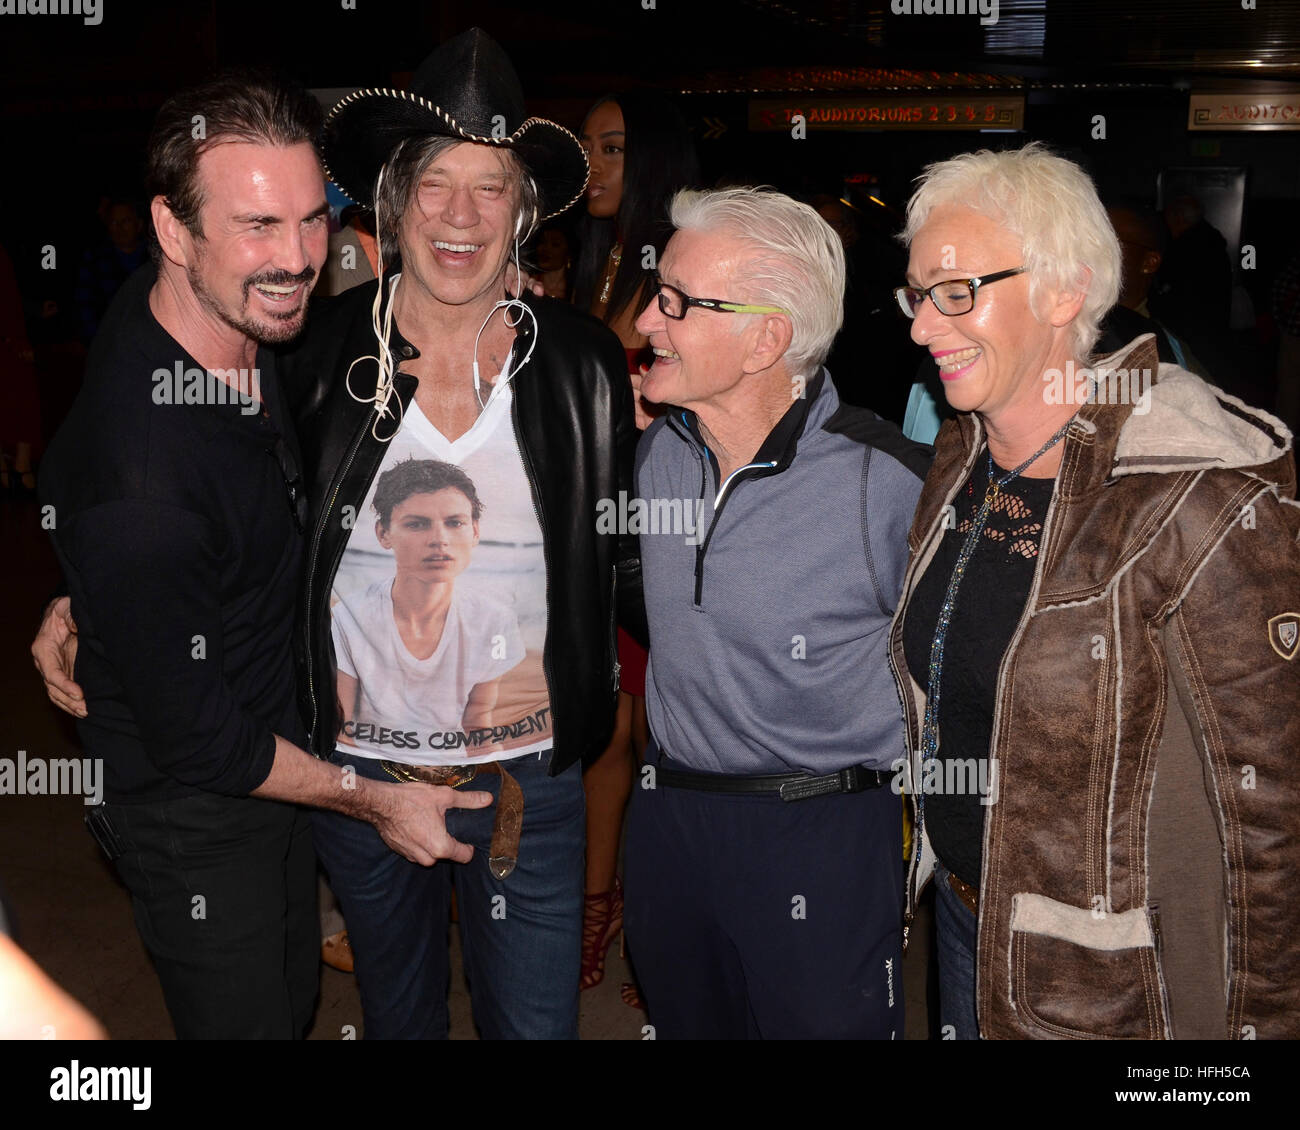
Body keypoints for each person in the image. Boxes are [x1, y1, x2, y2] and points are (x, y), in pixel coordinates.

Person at [31, 70, 494, 1040]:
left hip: (274, 754)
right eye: (255, 226)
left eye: (311, 219)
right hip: (199, 811)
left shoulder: (240, 326)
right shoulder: (142, 473)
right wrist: (376, 803)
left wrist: (88, 598)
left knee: (294, 1001)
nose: (295, 260)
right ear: (171, 230)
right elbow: (201, 738)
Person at [279, 27, 644, 1039]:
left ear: (523, 214)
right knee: (398, 1018)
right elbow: (243, 536)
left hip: (529, 781)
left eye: (490, 188)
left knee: (532, 1026)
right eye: (436, 182)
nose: (459, 216)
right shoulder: (311, 358)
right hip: (357, 778)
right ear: (393, 199)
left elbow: (628, 562)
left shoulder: (580, 365)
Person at [890, 142, 1300, 1039]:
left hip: (1104, 983)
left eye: (956, 292)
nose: (923, 327)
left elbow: (1269, 814)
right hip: (963, 918)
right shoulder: (964, 457)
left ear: (1064, 291)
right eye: (918, 295)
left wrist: (1258, 1031)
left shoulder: (1196, 491)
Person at [623, 186, 929, 1039]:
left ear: (766, 338)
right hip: (668, 822)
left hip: (821, 834)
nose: (650, 318)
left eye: (680, 303)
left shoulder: (887, 481)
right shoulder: (661, 453)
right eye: (660, 293)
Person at [571, 90, 698, 997]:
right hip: (596, 533)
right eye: (587, 148)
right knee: (606, 733)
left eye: (612, 147)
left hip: (666, 530)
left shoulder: (682, 269)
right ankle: (593, 907)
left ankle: (666, 930)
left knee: (667, 740)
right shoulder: (593, 266)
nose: (594, 165)